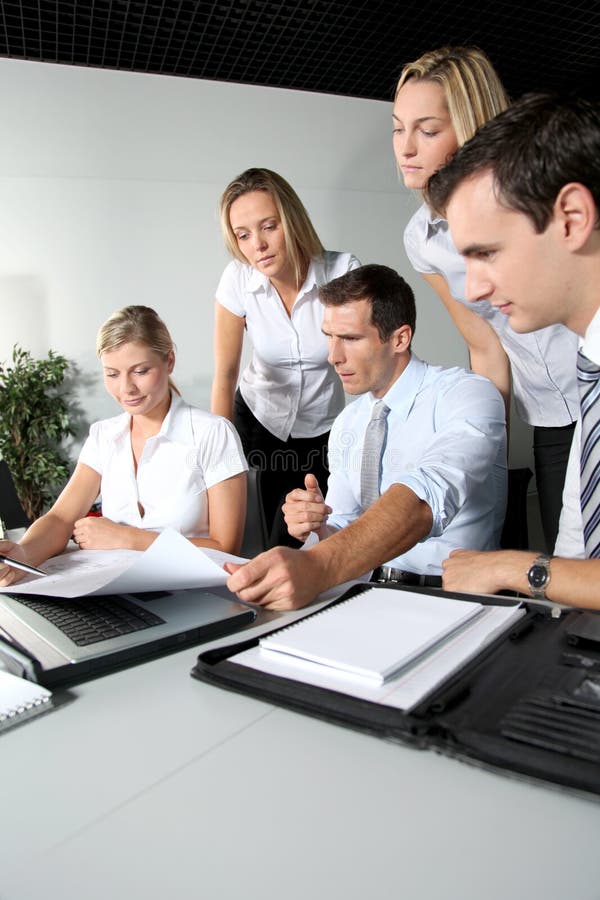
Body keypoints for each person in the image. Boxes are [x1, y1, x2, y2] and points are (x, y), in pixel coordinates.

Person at [225, 264, 507, 610]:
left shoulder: (467, 395)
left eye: (351, 338)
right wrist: (316, 526)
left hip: (447, 598)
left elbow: (424, 501)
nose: (333, 356)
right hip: (361, 593)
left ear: (400, 338)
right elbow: (345, 523)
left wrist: (317, 564)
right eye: (329, 335)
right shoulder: (348, 422)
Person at [395, 46, 578, 552]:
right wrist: (481, 450)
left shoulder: (540, 190)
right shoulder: (421, 239)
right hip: (546, 410)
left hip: (593, 377)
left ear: (471, 128)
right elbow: (484, 345)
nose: (406, 147)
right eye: (397, 128)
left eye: (427, 130)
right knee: (571, 560)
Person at [424, 92, 600, 609]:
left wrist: (511, 566)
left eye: (486, 253)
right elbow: (577, 549)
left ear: (570, 217)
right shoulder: (589, 363)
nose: (473, 289)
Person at [0, 305, 247, 587]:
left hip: (194, 592)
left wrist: (126, 538)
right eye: (112, 374)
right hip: (114, 593)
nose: (126, 388)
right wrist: (22, 555)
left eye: (140, 371)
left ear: (169, 362)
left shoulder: (213, 433)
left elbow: (227, 548)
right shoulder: (104, 436)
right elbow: (60, 518)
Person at [211, 167, 360, 547]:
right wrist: (215, 454)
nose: (257, 245)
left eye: (268, 226)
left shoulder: (341, 273)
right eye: (243, 235)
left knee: (310, 540)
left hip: (321, 431)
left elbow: (365, 360)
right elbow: (225, 375)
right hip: (258, 422)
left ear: (290, 220)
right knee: (257, 542)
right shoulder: (238, 280)